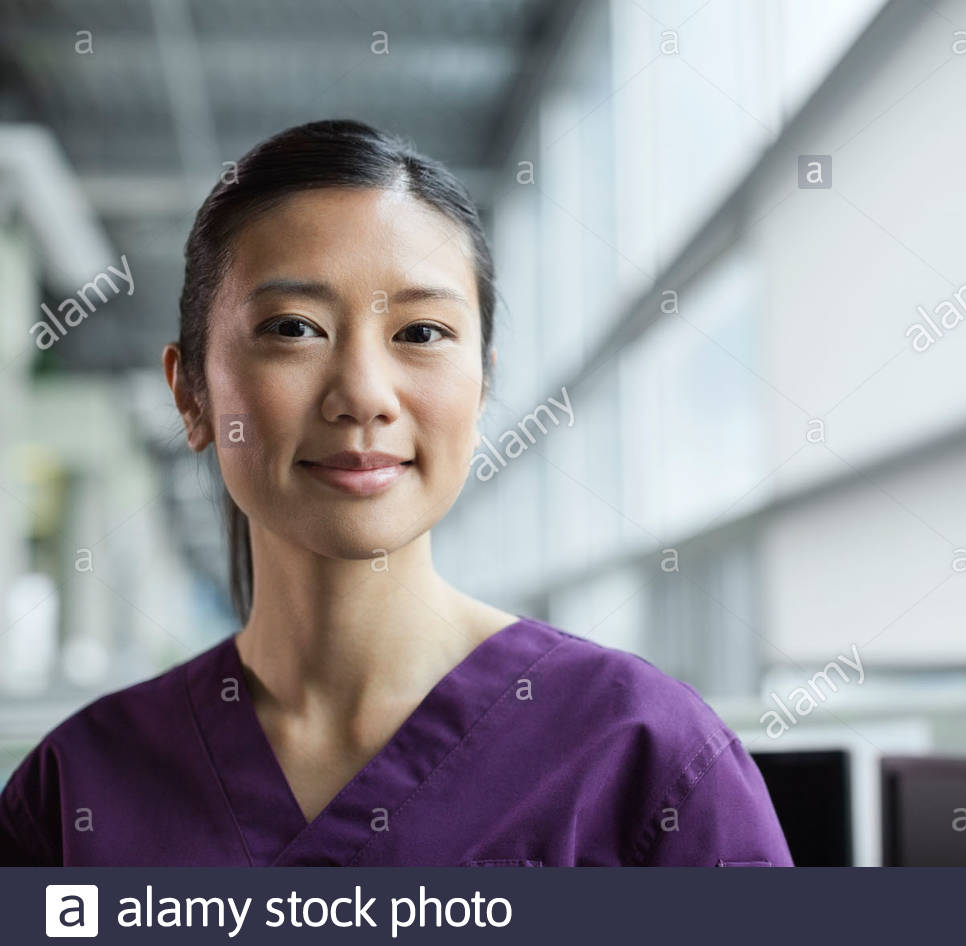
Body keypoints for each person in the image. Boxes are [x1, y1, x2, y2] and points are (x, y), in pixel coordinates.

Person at [0, 119, 793, 866]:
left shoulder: (644, 758)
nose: (364, 395)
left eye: (421, 334)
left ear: (481, 393)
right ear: (193, 396)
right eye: (294, 328)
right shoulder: (75, 794)